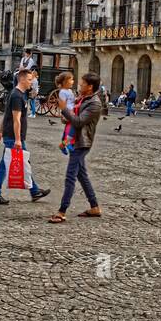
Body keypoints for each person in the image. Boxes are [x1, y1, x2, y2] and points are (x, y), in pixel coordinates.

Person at [0, 68, 49, 205]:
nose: (31, 83)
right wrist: (17, 139)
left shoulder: (19, 94)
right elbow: (16, 119)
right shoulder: (17, 95)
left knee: (21, 163)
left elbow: (7, 115)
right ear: (21, 79)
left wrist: (0, 131)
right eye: (29, 80)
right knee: (6, 165)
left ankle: (34, 191)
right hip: (14, 137)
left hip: (12, 135)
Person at [49, 73, 103, 223]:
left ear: (90, 87)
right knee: (81, 175)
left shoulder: (94, 103)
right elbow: (72, 117)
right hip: (75, 140)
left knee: (70, 176)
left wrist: (64, 109)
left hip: (82, 142)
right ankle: (95, 207)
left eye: (82, 83)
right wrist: (65, 115)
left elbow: (79, 122)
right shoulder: (82, 98)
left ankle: (62, 211)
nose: (79, 85)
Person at [56, 72, 77, 154]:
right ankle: (67, 143)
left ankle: (64, 144)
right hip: (68, 111)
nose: (73, 81)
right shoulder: (62, 92)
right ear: (65, 82)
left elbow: (72, 100)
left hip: (73, 110)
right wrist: (65, 113)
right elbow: (63, 104)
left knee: (69, 128)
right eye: (71, 80)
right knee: (71, 127)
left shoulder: (70, 90)